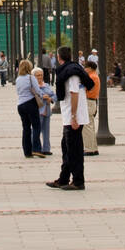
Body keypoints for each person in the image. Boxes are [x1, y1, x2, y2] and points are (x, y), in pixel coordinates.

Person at [46, 46, 90, 190]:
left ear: (59, 57)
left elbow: (74, 94)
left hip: (74, 117)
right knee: (67, 148)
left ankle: (78, 181)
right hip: (70, 116)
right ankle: (64, 178)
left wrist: (74, 116)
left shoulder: (71, 73)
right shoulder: (71, 70)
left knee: (74, 150)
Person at [16, 59, 46, 158]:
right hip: (30, 103)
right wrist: (43, 96)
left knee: (26, 128)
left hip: (20, 105)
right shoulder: (31, 78)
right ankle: (36, 149)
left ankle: (27, 151)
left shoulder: (18, 79)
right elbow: (37, 91)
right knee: (36, 126)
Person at [33, 66, 56, 157]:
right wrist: (43, 96)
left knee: (46, 131)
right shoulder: (33, 86)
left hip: (47, 110)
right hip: (38, 110)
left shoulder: (46, 85)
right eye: (38, 75)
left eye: (41, 75)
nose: (40, 77)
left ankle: (46, 149)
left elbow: (54, 95)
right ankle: (35, 148)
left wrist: (51, 98)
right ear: (34, 76)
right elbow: (35, 96)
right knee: (36, 130)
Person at [82, 59, 101, 156]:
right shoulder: (95, 76)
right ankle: (93, 148)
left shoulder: (91, 77)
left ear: (89, 68)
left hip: (88, 101)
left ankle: (89, 149)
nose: (84, 69)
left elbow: (85, 88)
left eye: (85, 67)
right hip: (92, 101)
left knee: (87, 126)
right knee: (91, 126)